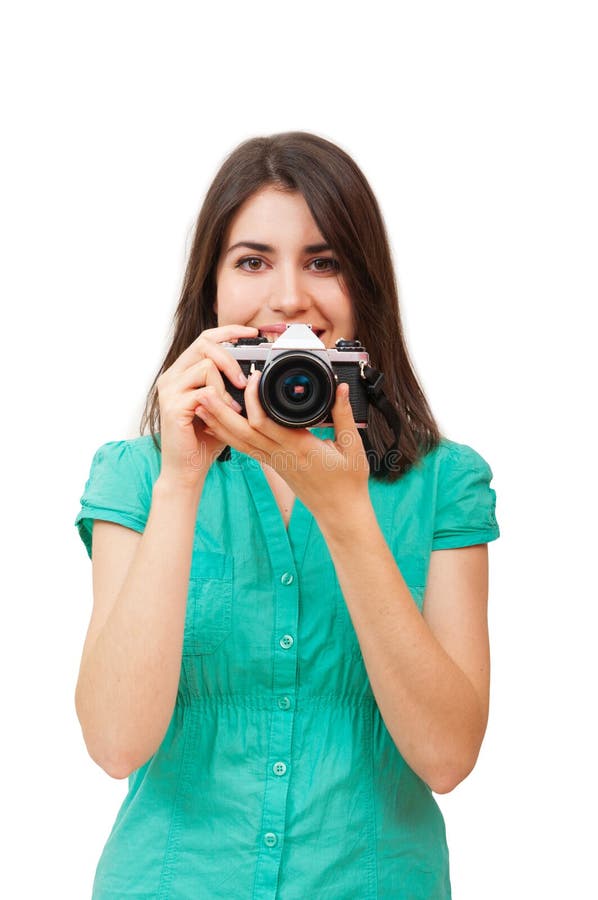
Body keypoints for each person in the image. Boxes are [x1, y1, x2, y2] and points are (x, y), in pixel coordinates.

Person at [74, 131, 500, 899]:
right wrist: (179, 481)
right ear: (210, 289)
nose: (288, 298)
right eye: (252, 261)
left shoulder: (445, 483)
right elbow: (114, 741)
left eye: (324, 261)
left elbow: (446, 756)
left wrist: (345, 513)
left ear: (364, 287)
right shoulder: (137, 477)